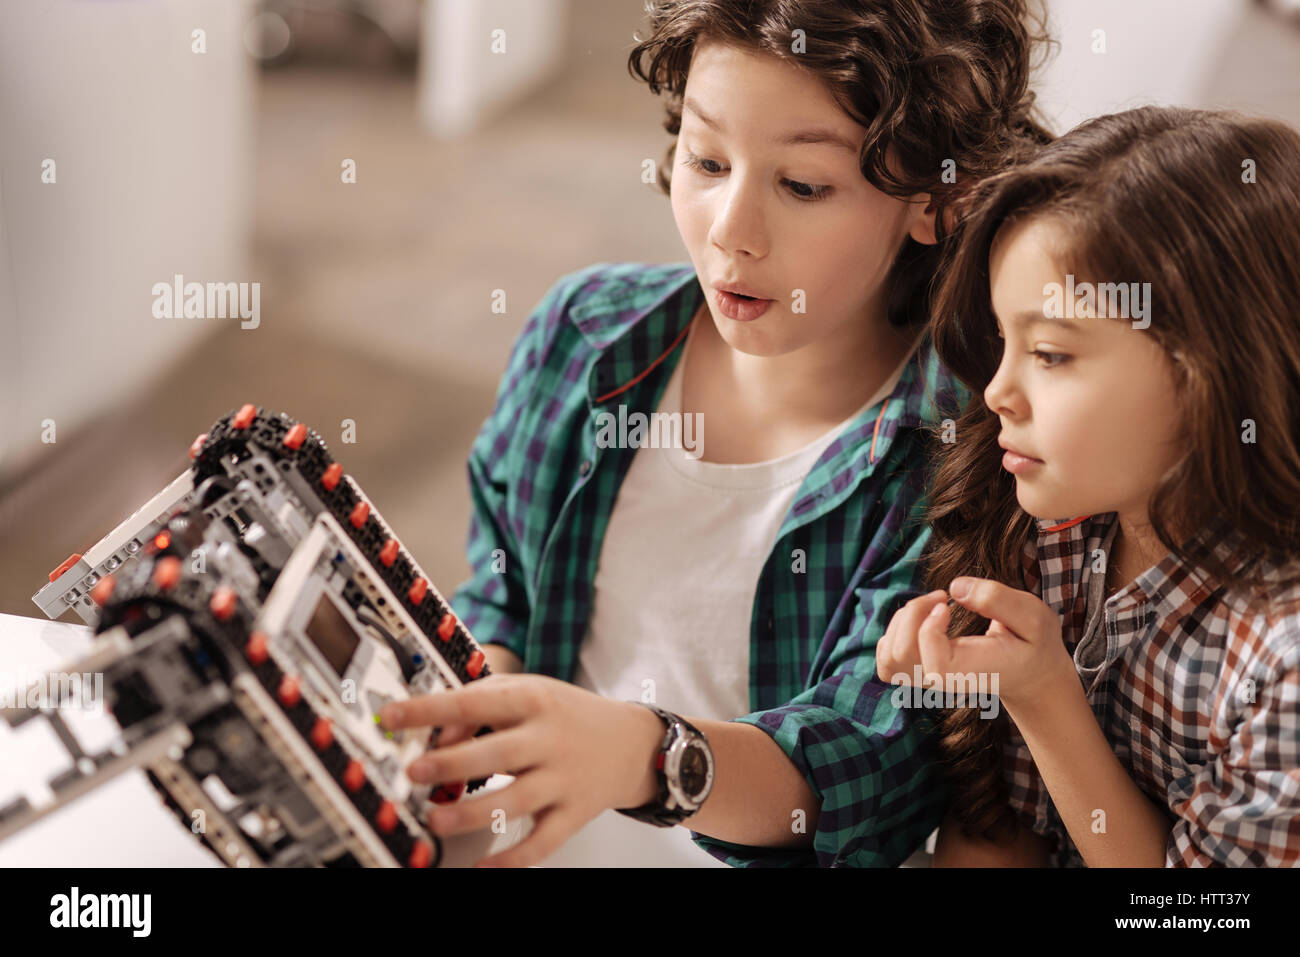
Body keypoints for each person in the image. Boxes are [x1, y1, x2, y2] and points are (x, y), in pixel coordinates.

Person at [380, 0, 1050, 866]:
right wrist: (487, 732)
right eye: (706, 159)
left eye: (803, 185)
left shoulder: (957, 448)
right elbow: (504, 589)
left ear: (936, 199)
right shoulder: (583, 332)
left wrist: (641, 754)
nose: (733, 231)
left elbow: (865, 773)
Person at [878, 106, 1300, 867]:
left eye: (1050, 353)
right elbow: (994, 825)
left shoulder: (1282, 660)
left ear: (1215, 367)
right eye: (1004, 342)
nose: (996, 391)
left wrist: (1043, 696)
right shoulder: (1053, 523)